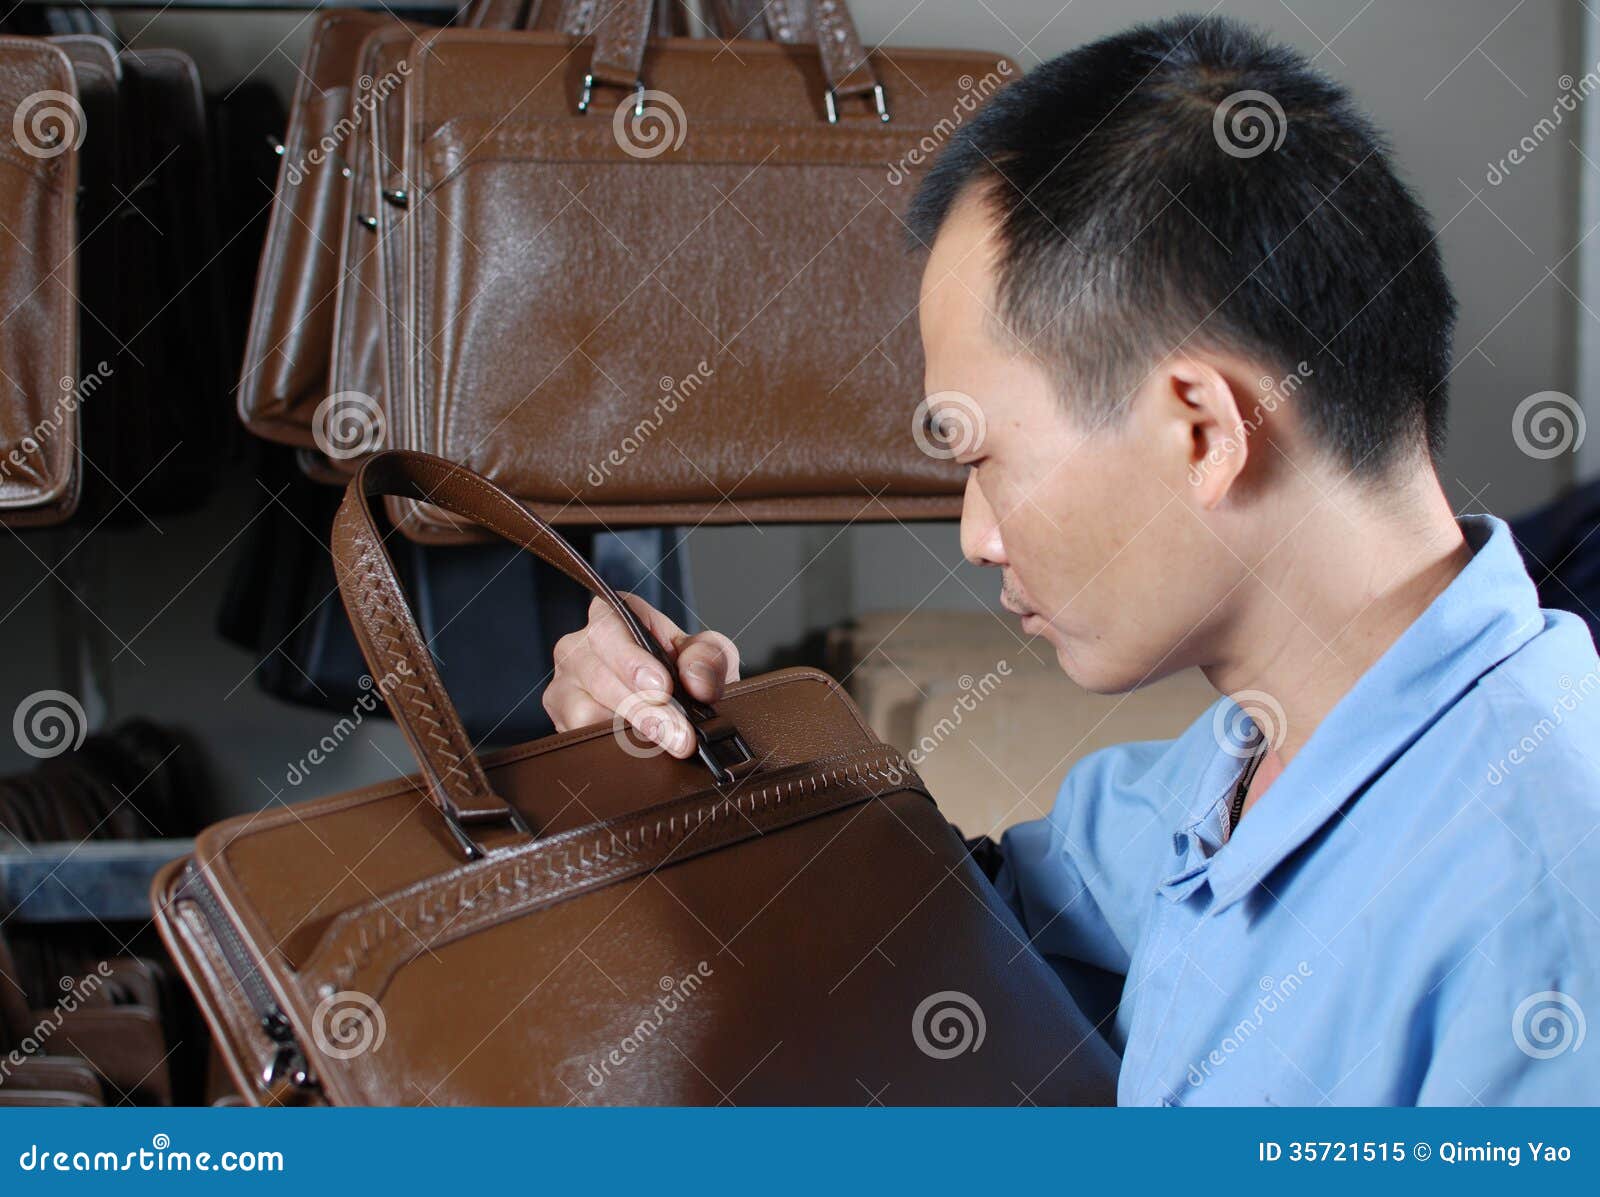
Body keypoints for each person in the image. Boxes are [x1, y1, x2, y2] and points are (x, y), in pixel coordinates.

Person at [543, 15, 1600, 1105]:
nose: (976, 534)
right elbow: (947, 935)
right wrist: (677, 762)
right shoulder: (1226, 768)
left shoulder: (1540, 897)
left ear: (1202, 430)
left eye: (987, 458)